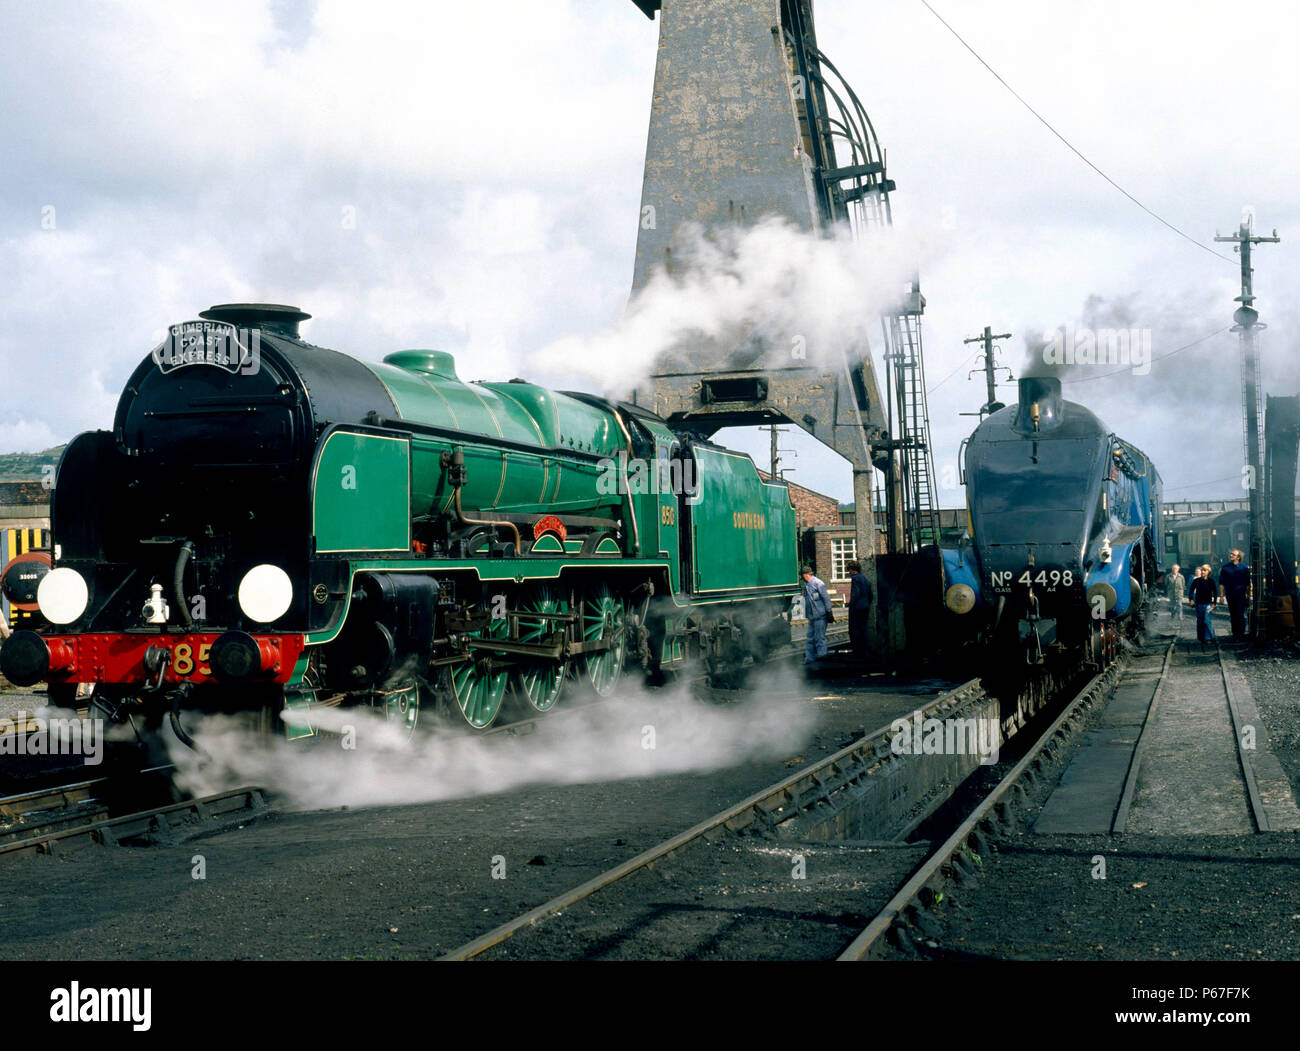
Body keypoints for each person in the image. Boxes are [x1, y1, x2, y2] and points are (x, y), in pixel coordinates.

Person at [800, 565, 833, 664]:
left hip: (820, 616)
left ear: (806, 575)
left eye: (802, 576)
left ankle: (822, 657)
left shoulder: (818, 583)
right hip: (812, 616)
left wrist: (829, 611)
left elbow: (826, 598)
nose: (802, 578)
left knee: (819, 638)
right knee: (810, 638)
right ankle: (809, 659)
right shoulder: (806, 585)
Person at [1218, 549, 1250, 641]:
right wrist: (1221, 596)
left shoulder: (1244, 568)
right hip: (1230, 595)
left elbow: (1247, 583)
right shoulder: (1225, 568)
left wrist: (1247, 596)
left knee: (1240, 614)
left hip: (1241, 595)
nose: (1231, 555)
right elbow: (1221, 583)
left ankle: (1241, 634)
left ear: (1238, 557)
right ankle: (1235, 634)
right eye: (1231, 554)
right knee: (1233, 614)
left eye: (1233, 554)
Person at [846, 559, 873, 660]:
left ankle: (858, 652)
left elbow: (855, 593)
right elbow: (870, 595)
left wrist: (851, 604)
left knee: (855, 630)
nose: (849, 572)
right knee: (864, 629)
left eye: (849, 570)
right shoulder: (865, 579)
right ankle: (865, 652)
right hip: (865, 607)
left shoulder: (856, 578)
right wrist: (867, 603)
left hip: (857, 608)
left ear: (853, 570)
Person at [1188, 562, 1217, 651]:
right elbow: (1191, 591)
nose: (1202, 572)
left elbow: (1215, 593)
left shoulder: (1211, 581)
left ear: (1208, 571)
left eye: (1204, 570)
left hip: (1208, 604)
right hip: (1199, 604)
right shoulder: (1196, 581)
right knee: (1200, 621)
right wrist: (1191, 600)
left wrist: (1214, 603)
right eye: (1202, 570)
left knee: (1207, 620)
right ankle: (1201, 637)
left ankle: (1209, 638)